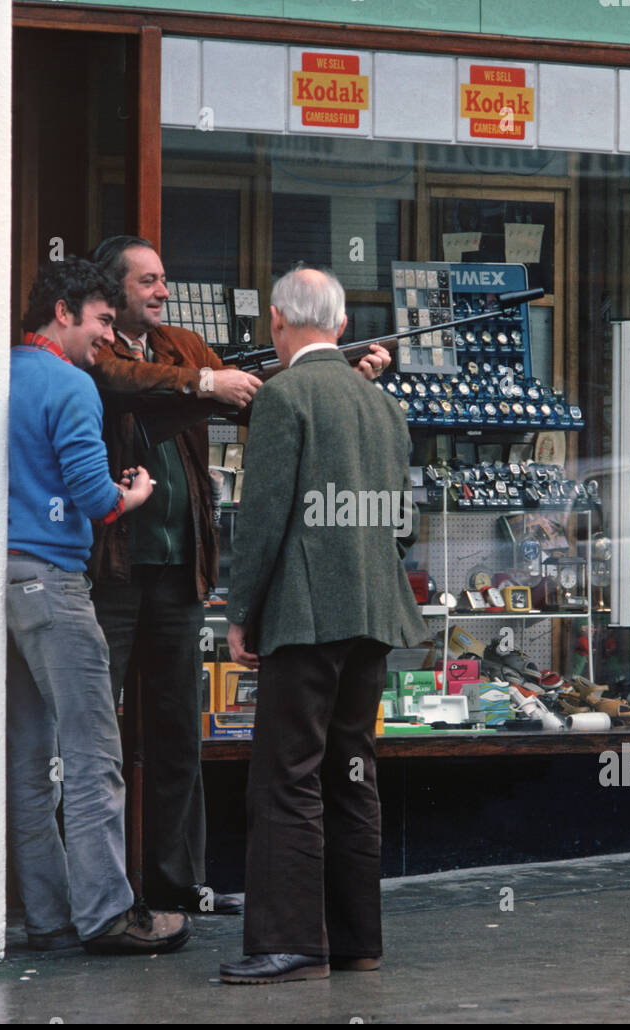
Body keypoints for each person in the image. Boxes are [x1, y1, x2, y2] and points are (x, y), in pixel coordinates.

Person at [85, 236, 392, 917]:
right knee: (97, 737)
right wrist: (203, 384)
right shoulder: (96, 348)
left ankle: (176, 883)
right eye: (148, 280)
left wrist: (341, 372)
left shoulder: (183, 345)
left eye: (164, 278)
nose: (162, 291)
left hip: (178, 570)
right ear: (112, 289)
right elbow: (120, 381)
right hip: (113, 568)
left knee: (176, 735)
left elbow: (259, 399)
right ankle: (98, 898)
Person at [218, 266, 428, 984]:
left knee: (286, 776)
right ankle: (355, 940)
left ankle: (292, 944)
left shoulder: (284, 395)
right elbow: (402, 524)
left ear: (277, 321)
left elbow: (262, 520)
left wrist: (240, 613)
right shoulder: (383, 404)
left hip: (304, 616)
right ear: (339, 325)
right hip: (373, 612)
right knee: (351, 771)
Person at [6, 256, 190, 955]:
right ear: (63, 313)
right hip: (55, 581)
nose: (109, 337)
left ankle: (49, 918)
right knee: (92, 756)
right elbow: (95, 498)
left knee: (30, 760)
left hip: (6, 578)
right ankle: (109, 914)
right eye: (103, 321)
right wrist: (133, 493)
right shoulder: (71, 384)